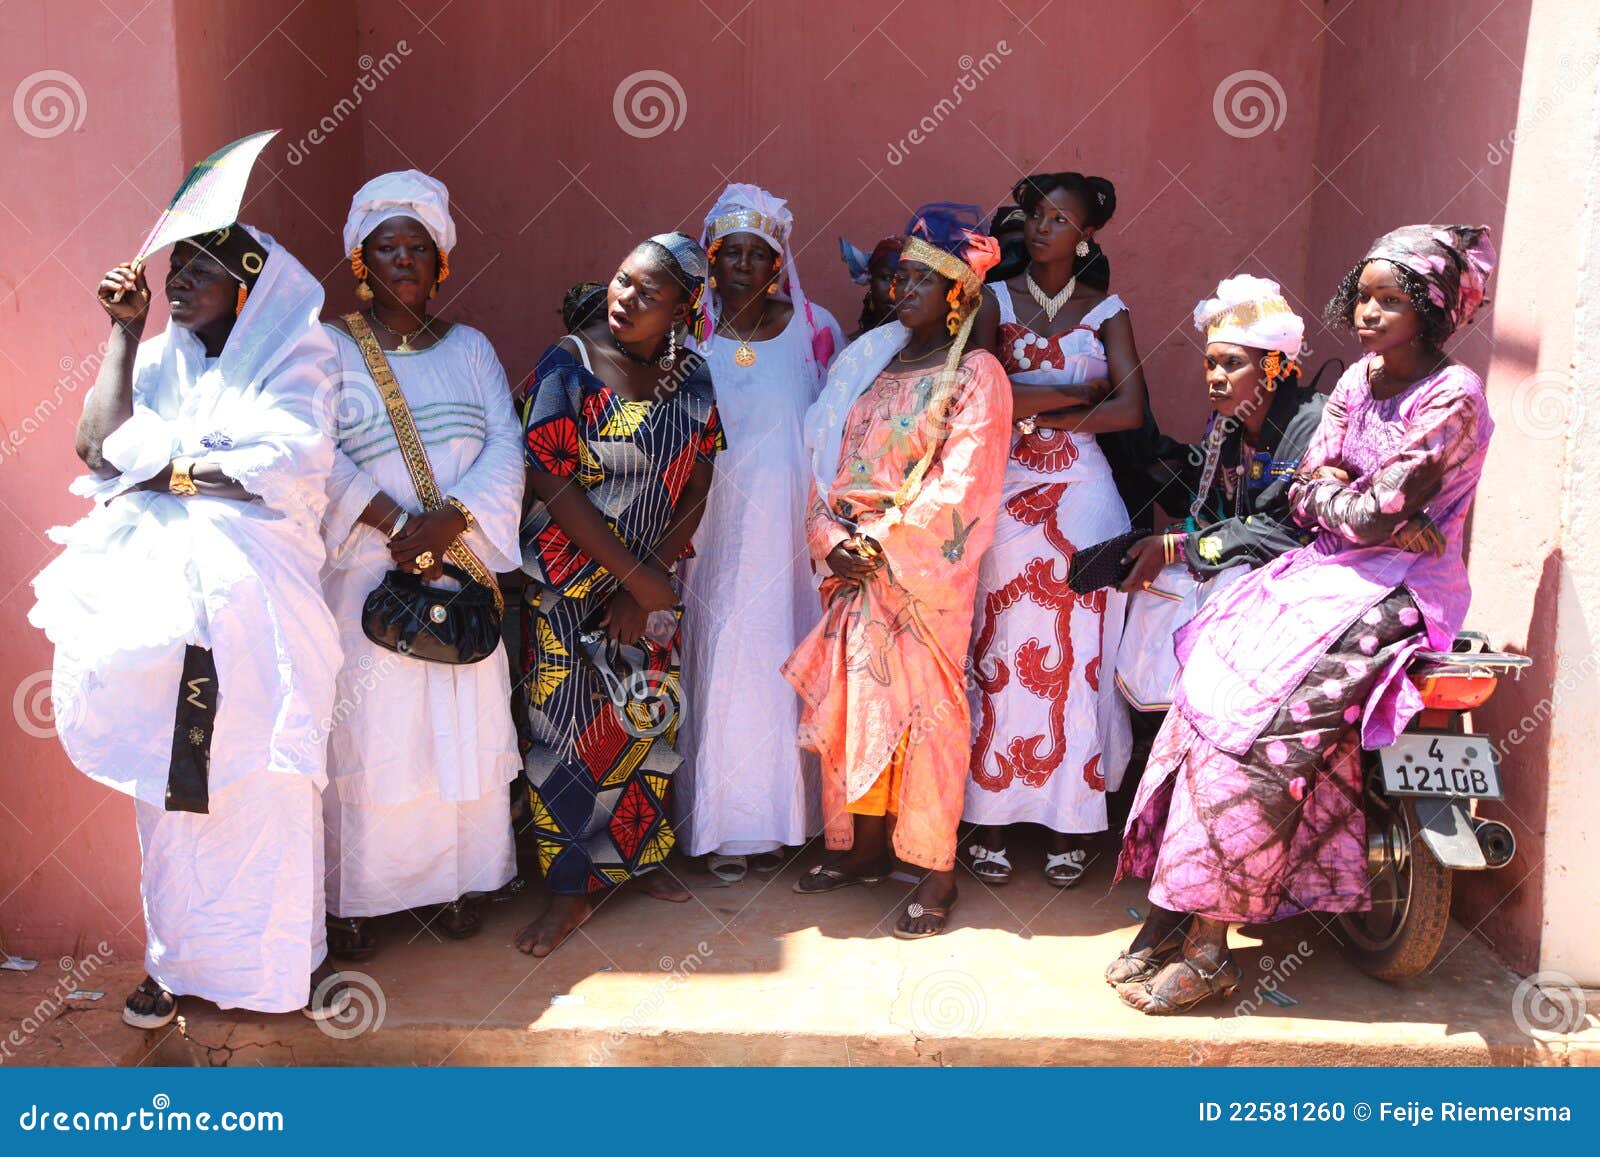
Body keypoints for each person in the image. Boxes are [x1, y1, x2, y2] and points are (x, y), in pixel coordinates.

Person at [1112, 224, 1496, 1014]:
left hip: (1403, 588)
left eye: (1391, 300)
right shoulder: (1356, 380)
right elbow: (1314, 495)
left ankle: (1213, 947)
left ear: (1430, 306)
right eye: (1363, 297)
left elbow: (1376, 500)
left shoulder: (1454, 395)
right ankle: (1173, 903)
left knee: (1264, 732)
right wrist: (1367, 510)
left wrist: (1365, 510)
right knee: (1202, 699)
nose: (1369, 313)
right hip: (1321, 571)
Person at [31, 224, 346, 1027]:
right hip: (167, 621)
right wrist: (124, 331)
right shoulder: (158, 358)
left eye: (205, 271)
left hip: (258, 619)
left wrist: (158, 465)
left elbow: (285, 463)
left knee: (263, 785)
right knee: (176, 791)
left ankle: (272, 969)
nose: (181, 281)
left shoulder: (299, 359)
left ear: (248, 288)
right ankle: (173, 962)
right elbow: (97, 447)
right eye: (178, 266)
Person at [785, 203, 1011, 939]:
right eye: (901, 277)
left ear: (958, 294)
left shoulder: (978, 374)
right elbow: (828, 463)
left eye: (922, 278)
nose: (902, 289)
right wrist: (828, 537)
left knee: (927, 718)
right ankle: (866, 849)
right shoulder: (874, 363)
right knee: (855, 711)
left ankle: (935, 869)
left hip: (917, 578)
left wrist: (878, 547)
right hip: (854, 564)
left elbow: (964, 487)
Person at [318, 171, 524, 959]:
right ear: (360, 260)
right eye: (387, 246)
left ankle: (463, 881)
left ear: (441, 261)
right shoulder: (329, 347)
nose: (404, 258)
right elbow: (317, 454)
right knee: (378, 734)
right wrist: (399, 523)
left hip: (460, 565)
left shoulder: (471, 349)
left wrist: (450, 521)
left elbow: (506, 446)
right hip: (372, 575)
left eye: (418, 246)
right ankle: (362, 899)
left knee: (465, 728)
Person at [516, 232, 724, 957]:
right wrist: (631, 577)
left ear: (682, 310)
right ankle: (569, 892)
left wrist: (653, 579)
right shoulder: (567, 364)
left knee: (646, 721)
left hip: (653, 588)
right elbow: (550, 475)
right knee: (565, 736)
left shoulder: (692, 376)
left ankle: (639, 862)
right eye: (621, 279)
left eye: (649, 292)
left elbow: (700, 482)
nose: (626, 298)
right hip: (568, 585)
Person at [962, 171, 1145, 888]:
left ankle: (1074, 819)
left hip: (1084, 498)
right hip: (1005, 490)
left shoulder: (1111, 310)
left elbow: (1131, 409)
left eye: (1058, 218)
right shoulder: (993, 299)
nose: (1042, 227)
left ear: (1086, 233)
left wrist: (1046, 413)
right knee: (997, 643)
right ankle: (991, 814)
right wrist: (1077, 389)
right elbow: (979, 388)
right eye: (1035, 215)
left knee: (1078, 658)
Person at [676, 184, 843, 883]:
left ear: (778, 262)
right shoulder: (688, 331)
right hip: (711, 526)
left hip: (788, 528)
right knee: (719, 657)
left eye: (757, 254)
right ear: (710, 261)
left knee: (783, 652)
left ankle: (785, 820)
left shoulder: (815, 326)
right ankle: (722, 823)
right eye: (729, 253)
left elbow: (842, 423)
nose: (742, 266)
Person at [1113, 275, 1325, 714]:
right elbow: (1205, 506)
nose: (1215, 377)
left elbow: (1284, 532)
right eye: (1210, 364)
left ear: (1273, 367)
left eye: (1231, 363)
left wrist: (1179, 548)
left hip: (1307, 586)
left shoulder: (1310, 423)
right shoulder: (1226, 429)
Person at [839, 235, 905, 339]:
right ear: (871, 278)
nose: (894, 291)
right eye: (887, 278)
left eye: (904, 280)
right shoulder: (851, 349)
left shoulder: (930, 352)